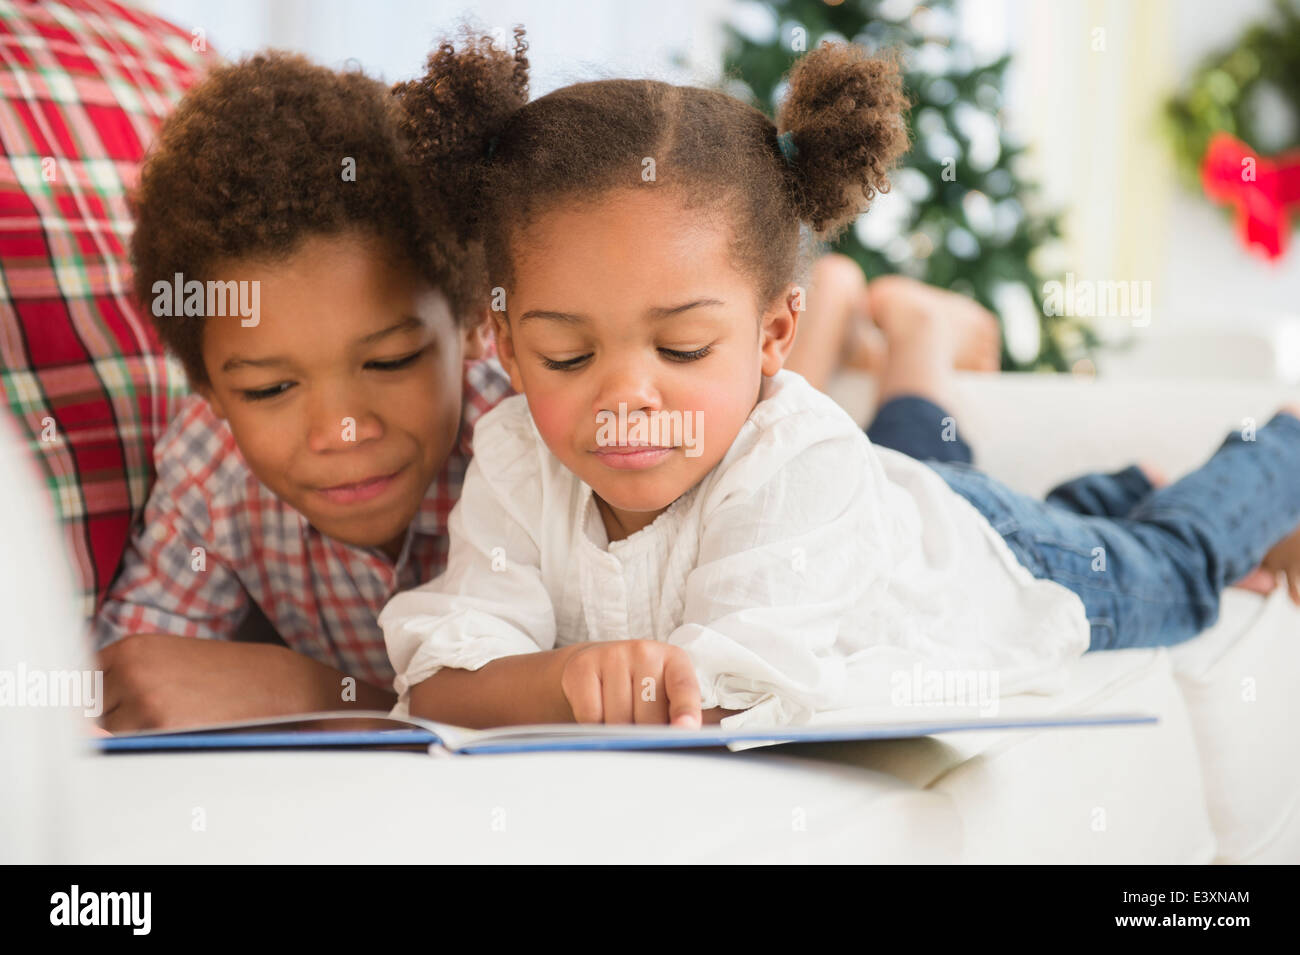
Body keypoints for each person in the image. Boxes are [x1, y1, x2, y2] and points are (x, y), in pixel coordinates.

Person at [380, 32, 1300, 731]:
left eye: (686, 348)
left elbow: (734, 695)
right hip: (894, 505)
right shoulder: (512, 454)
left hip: (990, 554)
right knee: (936, 480)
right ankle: (1121, 492)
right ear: (500, 340)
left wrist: (591, 685)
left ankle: (1283, 444)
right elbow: (440, 675)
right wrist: (557, 678)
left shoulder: (798, 459)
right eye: (568, 357)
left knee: (1176, 577)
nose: (626, 397)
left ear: (778, 331)